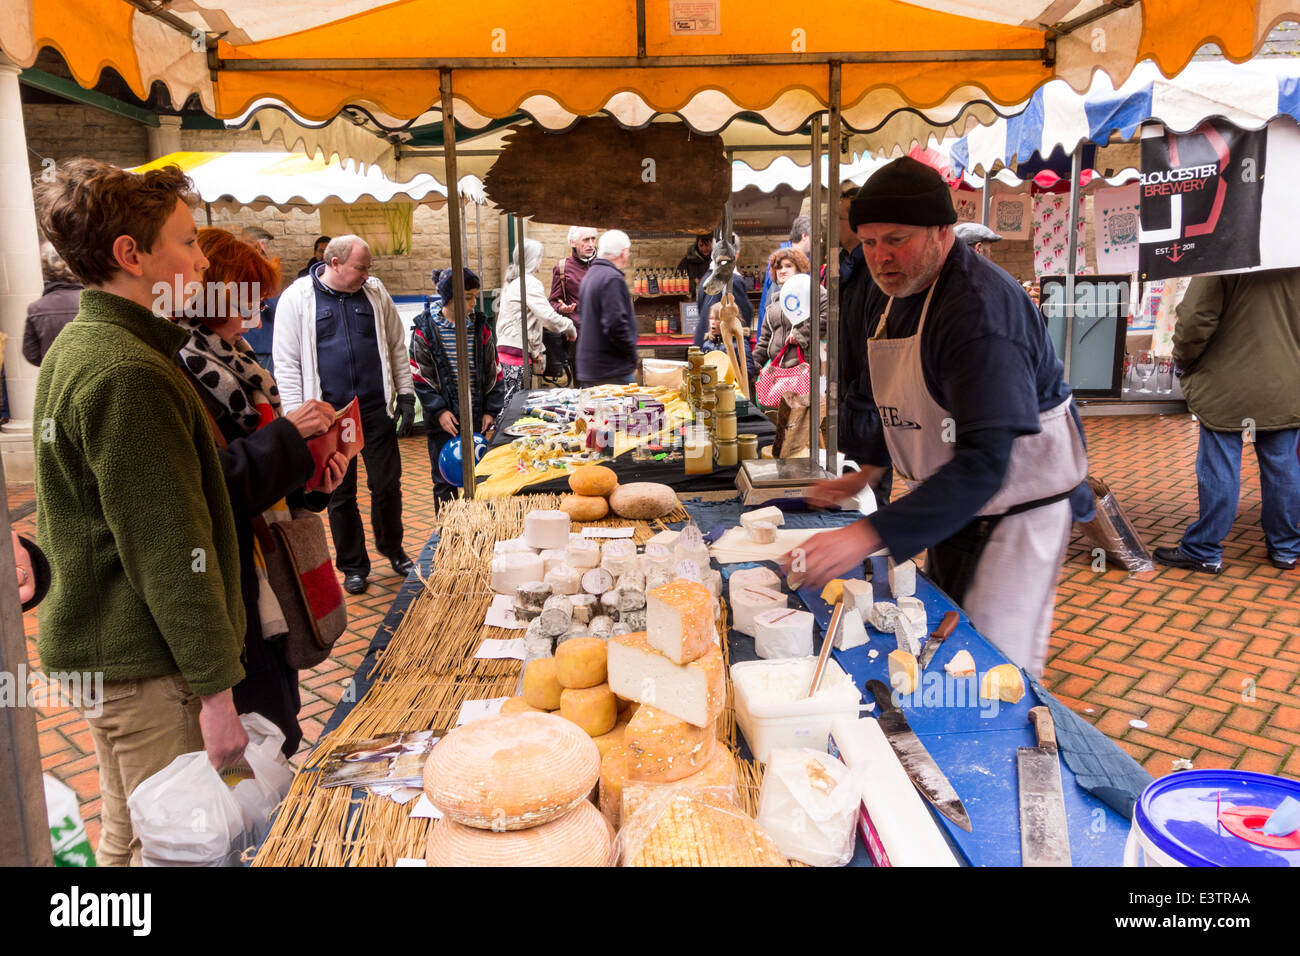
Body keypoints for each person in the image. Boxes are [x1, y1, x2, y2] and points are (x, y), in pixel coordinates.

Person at [790, 156, 1087, 680]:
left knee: (991, 668)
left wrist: (867, 533)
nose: (881, 257)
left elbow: (985, 463)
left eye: (897, 239)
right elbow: (903, 395)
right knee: (946, 632)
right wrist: (872, 470)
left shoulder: (979, 311)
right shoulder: (898, 293)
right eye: (869, 241)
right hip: (955, 503)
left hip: (1017, 513)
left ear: (943, 231)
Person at [32, 159, 250, 865]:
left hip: (116, 654)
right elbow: (168, 549)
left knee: (132, 834)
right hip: (148, 666)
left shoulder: (92, 344)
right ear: (132, 254)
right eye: (187, 241)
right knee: (180, 844)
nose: (201, 257)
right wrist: (217, 695)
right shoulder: (125, 368)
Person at [180, 228, 348, 755]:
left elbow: (267, 477)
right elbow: (209, 489)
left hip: (269, 569)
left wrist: (317, 481)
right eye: (248, 298)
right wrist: (289, 437)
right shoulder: (181, 371)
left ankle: (265, 809)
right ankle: (257, 829)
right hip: (235, 583)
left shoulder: (239, 362)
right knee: (255, 741)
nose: (256, 312)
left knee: (280, 723)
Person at [273, 234, 418, 594]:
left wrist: (405, 393)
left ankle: (392, 547)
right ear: (334, 263)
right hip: (330, 418)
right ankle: (353, 564)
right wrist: (297, 419)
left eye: (369, 267)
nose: (367, 274)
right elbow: (287, 364)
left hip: (374, 409)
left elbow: (396, 345)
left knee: (387, 485)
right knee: (340, 492)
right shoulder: (297, 298)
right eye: (360, 267)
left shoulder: (374, 292)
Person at [1154, 269, 1300, 573]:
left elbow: (1195, 320)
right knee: (1282, 467)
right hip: (1285, 383)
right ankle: (1285, 548)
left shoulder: (1225, 257)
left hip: (1226, 384)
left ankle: (1203, 549)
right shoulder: (1293, 255)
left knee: (1220, 466)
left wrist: (1183, 359)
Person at [409, 268, 504, 501]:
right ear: (450, 298)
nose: (473, 303)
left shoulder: (480, 327)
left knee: (480, 477)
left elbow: (493, 368)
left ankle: (478, 528)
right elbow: (421, 375)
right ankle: (446, 532)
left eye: (475, 296)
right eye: (468, 297)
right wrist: (439, 410)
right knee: (443, 482)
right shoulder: (426, 330)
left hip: (476, 415)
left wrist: (491, 409)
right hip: (443, 423)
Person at [496, 238, 577, 405]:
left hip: (507, 350)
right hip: (517, 354)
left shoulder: (512, 282)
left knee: (509, 404)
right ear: (533, 259)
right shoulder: (529, 283)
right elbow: (548, 317)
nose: (541, 261)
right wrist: (570, 327)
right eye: (540, 257)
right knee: (514, 406)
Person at [576, 230, 639, 387]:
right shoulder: (612, 279)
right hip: (611, 370)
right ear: (623, 253)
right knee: (632, 409)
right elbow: (615, 324)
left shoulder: (591, 275)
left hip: (592, 368)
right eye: (628, 251)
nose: (628, 255)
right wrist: (632, 356)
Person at [692, 235, 756, 381]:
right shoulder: (733, 281)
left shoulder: (705, 280)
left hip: (706, 347)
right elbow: (740, 317)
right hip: (724, 353)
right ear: (736, 254)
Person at [753, 247, 821, 369]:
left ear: (799, 268)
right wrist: (752, 367)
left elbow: (826, 316)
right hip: (779, 372)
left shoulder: (810, 293)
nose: (782, 270)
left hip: (803, 371)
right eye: (779, 267)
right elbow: (764, 341)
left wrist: (801, 334)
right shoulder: (773, 305)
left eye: (788, 266)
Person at [23, 242, 83, 365]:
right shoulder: (92, 301)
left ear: (45, 269)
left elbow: (31, 354)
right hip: (90, 377)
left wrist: (52, 363)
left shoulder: (37, 308)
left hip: (55, 379)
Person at [549, 226, 598, 376]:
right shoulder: (562, 268)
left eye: (593, 239)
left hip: (604, 335)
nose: (590, 244)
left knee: (608, 387)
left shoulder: (604, 263)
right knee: (583, 386)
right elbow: (552, 301)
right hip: (579, 338)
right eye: (585, 240)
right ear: (573, 243)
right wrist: (562, 309)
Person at [757, 215, 812, 336]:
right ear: (805, 236)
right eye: (817, 237)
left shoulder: (806, 261)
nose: (821, 241)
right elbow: (772, 309)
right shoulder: (782, 262)